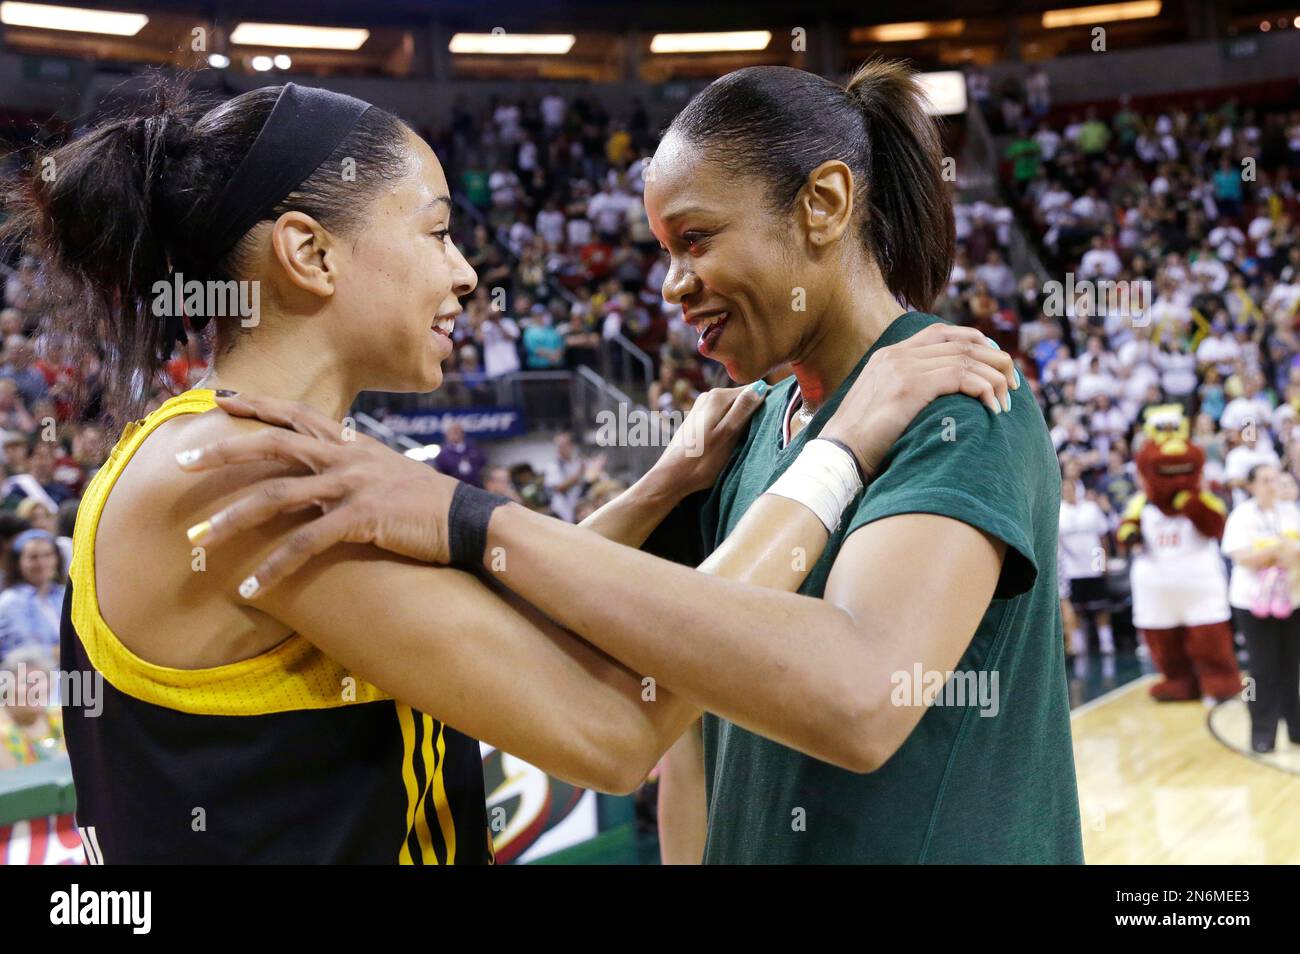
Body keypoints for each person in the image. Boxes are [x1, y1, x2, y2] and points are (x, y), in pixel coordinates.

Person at [4, 77, 1014, 864]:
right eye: (438, 229)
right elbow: (616, 726)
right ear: (310, 254)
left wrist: (655, 489)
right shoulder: (237, 472)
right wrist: (838, 453)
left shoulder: (278, 454)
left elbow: (520, 619)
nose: (465, 270)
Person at [1221, 464, 1300, 752]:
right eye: (1265, 480)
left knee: (1292, 665)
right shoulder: (1242, 516)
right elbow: (1243, 557)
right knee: (1262, 668)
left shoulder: (1290, 512)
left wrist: (1279, 551)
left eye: (1275, 480)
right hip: (1252, 602)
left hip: (1291, 600)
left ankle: (1296, 727)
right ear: (1252, 485)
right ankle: (1262, 733)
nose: (1271, 485)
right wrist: (1277, 550)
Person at [1058, 475, 1115, 655]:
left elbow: (1103, 535)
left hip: (1094, 563)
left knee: (1100, 607)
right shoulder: (1059, 511)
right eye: (1064, 490)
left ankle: (1107, 643)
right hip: (1071, 569)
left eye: (1071, 489)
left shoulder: (1091, 508)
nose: (1068, 492)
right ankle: (1078, 645)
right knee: (1076, 609)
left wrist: (1103, 560)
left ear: (1077, 489)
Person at [0, 529, 65, 664]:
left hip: (73, 679)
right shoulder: (11, 601)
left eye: (48, 555)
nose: (41, 563)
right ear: (18, 562)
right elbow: (26, 653)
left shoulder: (62, 594)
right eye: (33, 557)